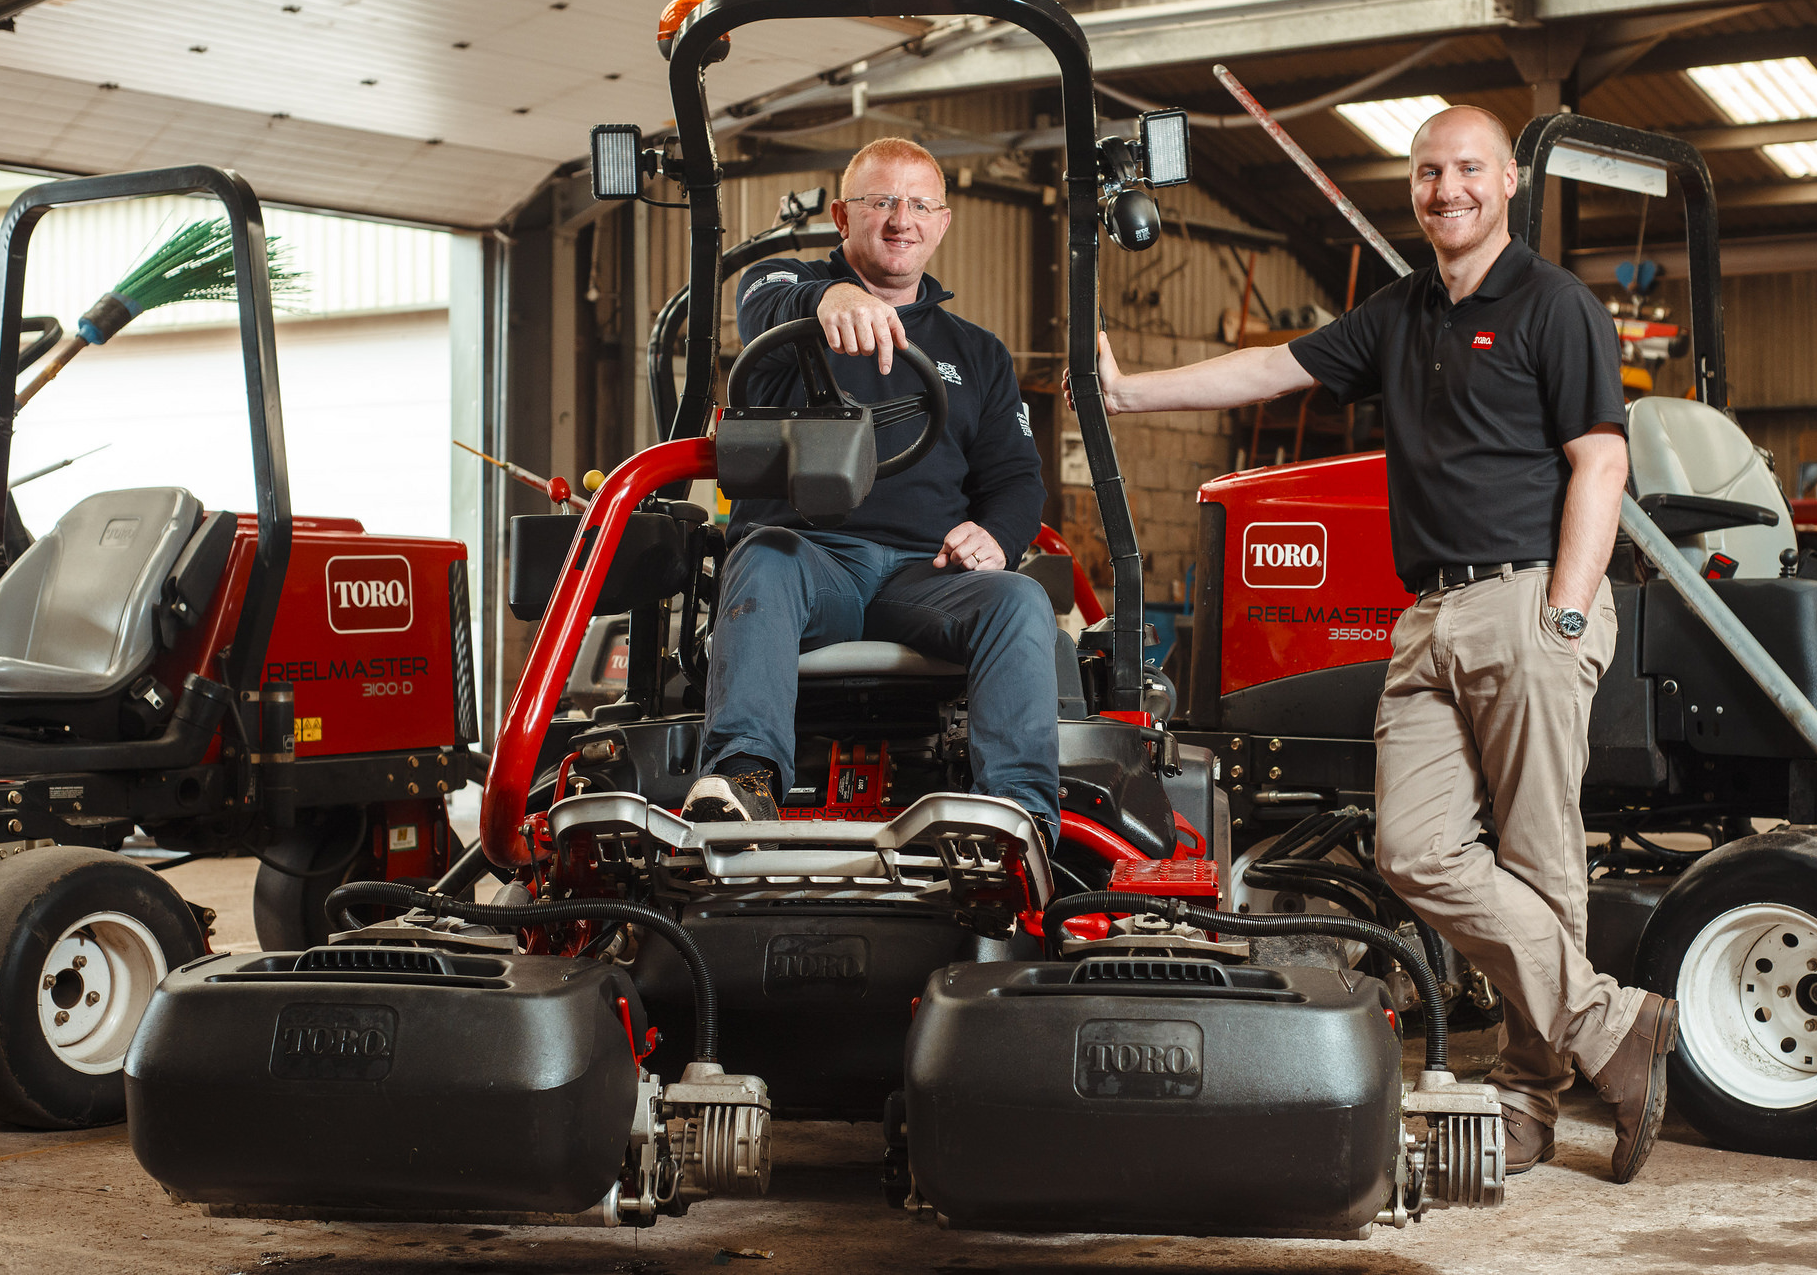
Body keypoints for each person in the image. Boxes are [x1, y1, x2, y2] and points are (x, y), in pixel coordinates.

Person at [1074, 105, 1676, 1184]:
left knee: (1540, 869)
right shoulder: (1397, 313)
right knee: (1412, 850)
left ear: (1505, 185)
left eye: (1465, 171)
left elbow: (1598, 462)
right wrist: (1127, 392)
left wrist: (1568, 613)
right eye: (1426, 172)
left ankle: (1528, 1097)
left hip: (1526, 602)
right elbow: (1266, 370)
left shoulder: (1554, 304)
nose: (1444, 189)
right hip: (1428, 617)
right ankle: (1611, 1025)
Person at [686, 136, 1060, 845]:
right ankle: (743, 778)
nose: (900, 219)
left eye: (919, 204)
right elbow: (760, 295)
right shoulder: (786, 298)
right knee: (762, 556)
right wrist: (831, 295)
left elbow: (1014, 479)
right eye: (881, 201)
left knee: (1020, 598)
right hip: (811, 563)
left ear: (942, 223)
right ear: (841, 215)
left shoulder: (978, 354)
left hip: (927, 576)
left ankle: (1016, 815)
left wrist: (998, 536)